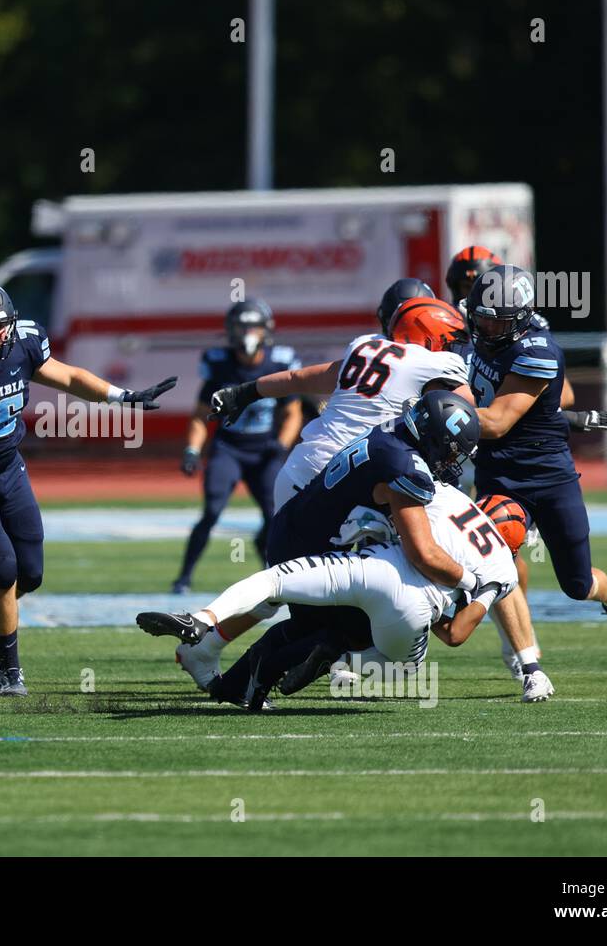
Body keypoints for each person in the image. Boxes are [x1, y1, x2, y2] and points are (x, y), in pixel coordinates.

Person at [177, 297, 472, 688]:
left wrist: (246, 392)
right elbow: (470, 416)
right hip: (342, 480)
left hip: (306, 467)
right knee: (328, 578)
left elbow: (303, 378)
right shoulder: (435, 363)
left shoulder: (363, 346)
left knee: (298, 578)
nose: (452, 349)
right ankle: (322, 654)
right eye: (448, 340)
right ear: (430, 335)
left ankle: (218, 644)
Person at [0, 280, 177, 695]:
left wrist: (122, 397)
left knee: (30, 573)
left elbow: (66, 376)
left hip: (9, 469)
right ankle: (11, 672)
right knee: (2, 570)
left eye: (0, 326)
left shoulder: (24, 343)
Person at [137, 479, 521, 710]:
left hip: (366, 565)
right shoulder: (501, 564)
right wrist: (450, 599)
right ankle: (339, 661)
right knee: (404, 666)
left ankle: (204, 619)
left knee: (273, 582)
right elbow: (456, 635)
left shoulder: (451, 496)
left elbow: (394, 509)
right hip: (413, 608)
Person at [466, 264, 607, 676]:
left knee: (577, 585)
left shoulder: (536, 350)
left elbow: (499, 421)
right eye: (481, 317)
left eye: (496, 320)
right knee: (496, 564)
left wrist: (432, 414)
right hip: (499, 475)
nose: (486, 326)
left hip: (548, 475)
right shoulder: (469, 338)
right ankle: (528, 664)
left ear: (520, 319)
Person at [172, 299, 304, 593]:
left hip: (266, 449)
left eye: (253, 326)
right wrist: (192, 449)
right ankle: (183, 577)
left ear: (266, 330)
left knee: (276, 515)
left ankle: (273, 573)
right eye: (241, 326)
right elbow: (200, 414)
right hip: (229, 448)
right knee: (212, 511)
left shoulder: (280, 360)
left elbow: (292, 412)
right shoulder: (219, 363)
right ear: (231, 330)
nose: (247, 333)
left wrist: (281, 446)